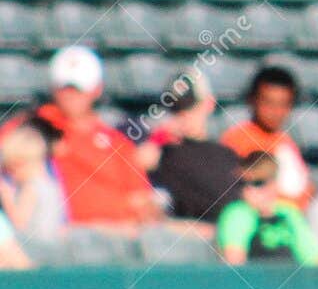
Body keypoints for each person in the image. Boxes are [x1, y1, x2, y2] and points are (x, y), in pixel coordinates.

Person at [6, 46, 158, 229]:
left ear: (96, 89)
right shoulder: (33, 126)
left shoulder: (117, 142)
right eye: (65, 88)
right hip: (61, 236)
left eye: (78, 89)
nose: (71, 96)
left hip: (117, 236)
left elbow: (141, 200)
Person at [146, 70, 242, 228]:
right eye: (176, 108)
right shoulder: (161, 154)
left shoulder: (226, 156)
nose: (183, 114)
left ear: (209, 104)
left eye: (189, 106)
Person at [221, 66, 312, 207]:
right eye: (269, 103)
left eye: (283, 104)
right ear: (252, 100)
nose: (276, 111)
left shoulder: (286, 142)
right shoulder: (237, 139)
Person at [215, 152, 318, 266]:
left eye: (257, 183)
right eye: (242, 183)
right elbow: (235, 263)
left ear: (273, 183)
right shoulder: (237, 213)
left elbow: (315, 260)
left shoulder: (288, 212)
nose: (248, 189)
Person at [0, 123, 67, 257]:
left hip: (36, 248)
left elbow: (19, 223)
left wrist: (6, 195)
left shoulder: (31, 187)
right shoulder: (51, 184)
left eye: (14, 167)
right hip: (51, 245)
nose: (11, 174)